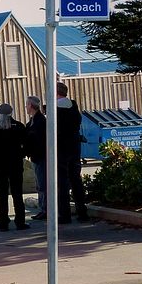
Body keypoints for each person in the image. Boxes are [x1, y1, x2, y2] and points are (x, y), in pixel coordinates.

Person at [0, 103, 30, 231]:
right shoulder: (19, 127)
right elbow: (27, 144)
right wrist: (21, 155)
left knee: (2, 195)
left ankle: (3, 223)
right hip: (15, 165)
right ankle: (20, 221)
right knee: (17, 194)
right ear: (11, 113)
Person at [56, 81, 89, 223]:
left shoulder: (55, 109)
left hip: (61, 148)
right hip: (75, 147)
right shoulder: (74, 107)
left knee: (62, 182)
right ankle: (82, 211)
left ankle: (65, 214)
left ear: (55, 93)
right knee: (76, 179)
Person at [23, 95, 47, 220]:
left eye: (27, 105)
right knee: (39, 184)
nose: (26, 107)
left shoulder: (40, 122)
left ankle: (45, 209)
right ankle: (43, 209)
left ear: (31, 106)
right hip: (35, 157)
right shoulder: (32, 122)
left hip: (41, 157)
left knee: (42, 184)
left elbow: (39, 141)